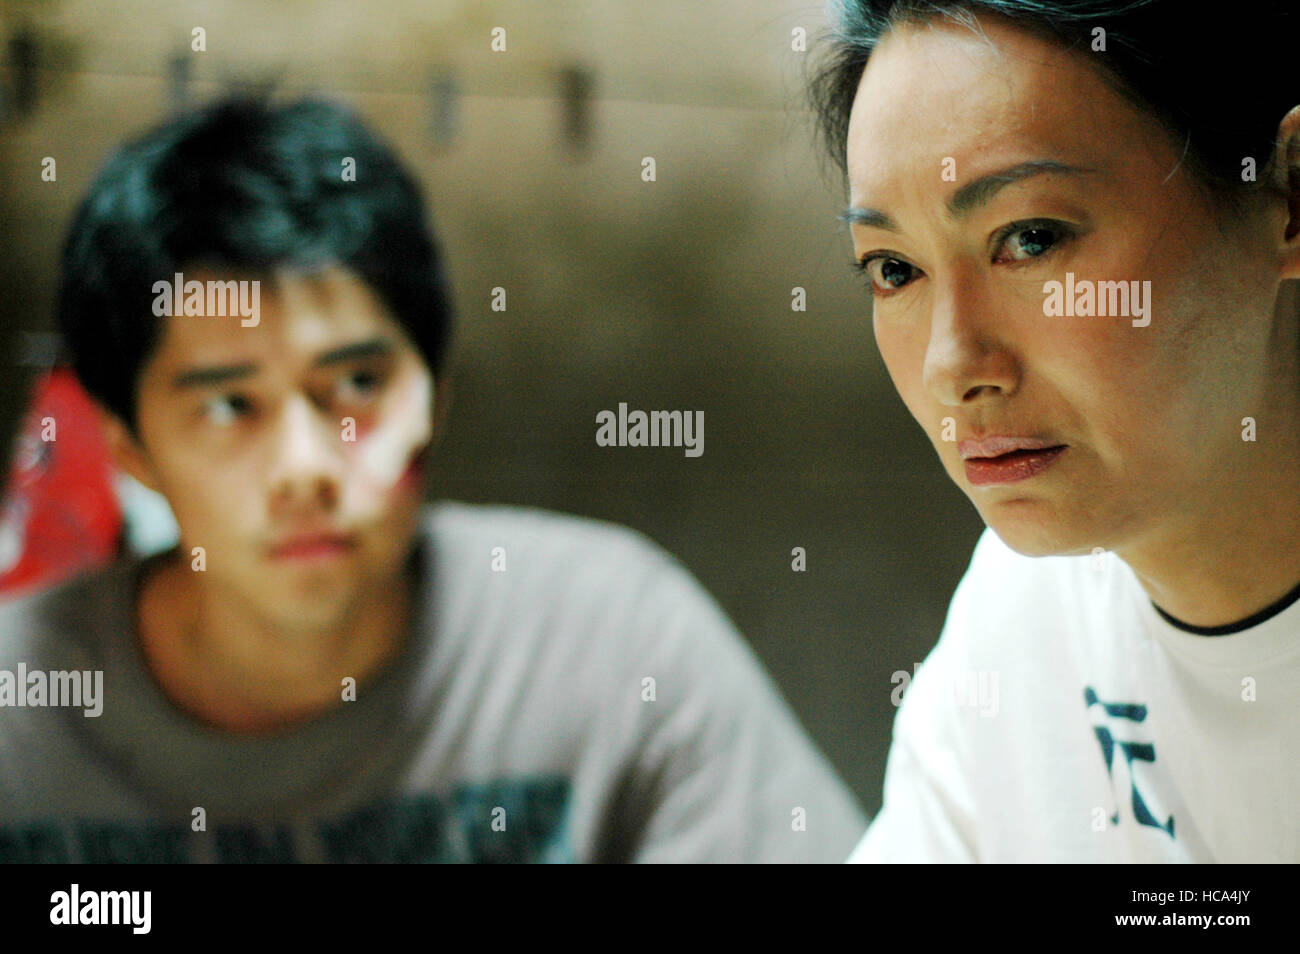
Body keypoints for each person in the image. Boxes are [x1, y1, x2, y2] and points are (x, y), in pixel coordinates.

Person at [0, 94, 864, 863]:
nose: (305, 469)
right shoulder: (21, 699)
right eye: (229, 407)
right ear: (131, 448)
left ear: (434, 397)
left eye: (356, 387)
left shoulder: (609, 642)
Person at [810, 0, 1300, 861]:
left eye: (1030, 239)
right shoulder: (1019, 620)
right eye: (895, 270)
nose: (953, 367)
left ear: (1287, 193)